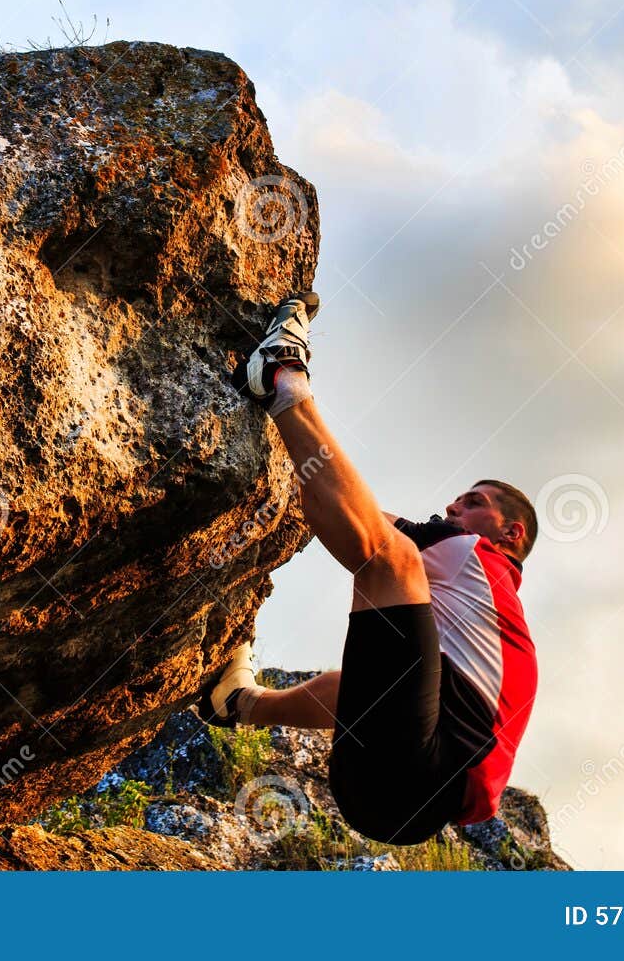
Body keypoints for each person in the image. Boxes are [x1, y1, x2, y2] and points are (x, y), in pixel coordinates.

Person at [197, 292, 539, 845]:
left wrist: (293, 425)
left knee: (393, 560)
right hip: (396, 808)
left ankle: (280, 374)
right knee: (371, 681)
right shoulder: (490, 620)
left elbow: (365, 524)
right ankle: (240, 704)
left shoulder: (476, 557)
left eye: (474, 502)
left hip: (414, 771)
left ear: (511, 533)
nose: (453, 508)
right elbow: (339, 511)